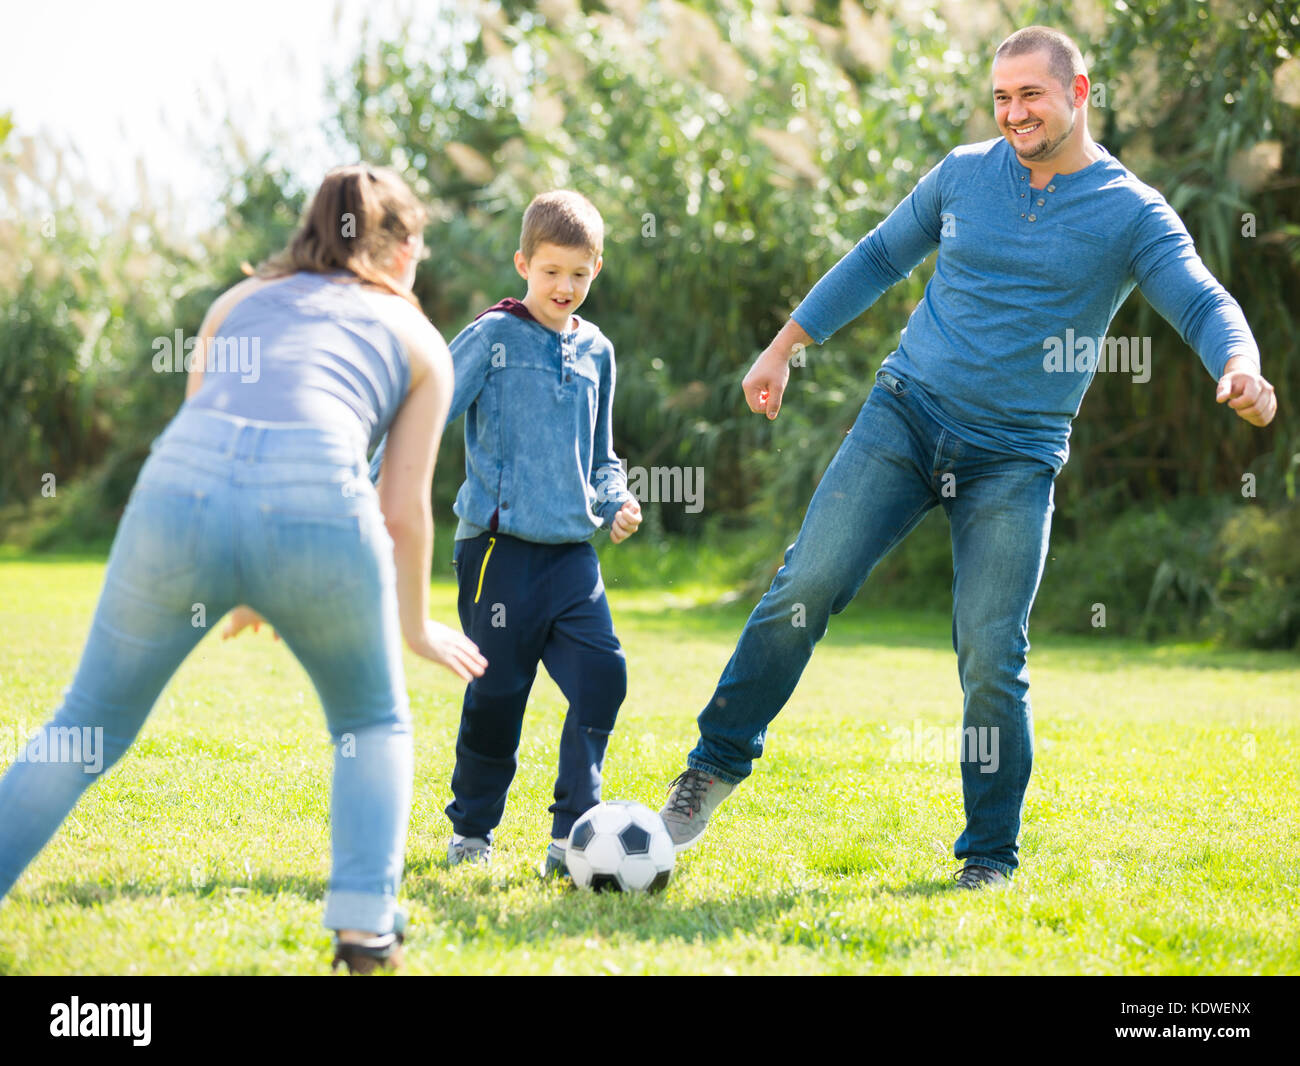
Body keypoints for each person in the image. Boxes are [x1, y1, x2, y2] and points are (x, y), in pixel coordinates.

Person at [658, 26, 1278, 887]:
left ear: (1080, 91)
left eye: (1032, 95)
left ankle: (988, 855)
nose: (1015, 112)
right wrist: (783, 347)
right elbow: (878, 257)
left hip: (1015, 459)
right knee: (806, 584)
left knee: (992, 653)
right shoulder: (962, 173)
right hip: (905, 418)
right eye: (1002, 98)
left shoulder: (1130, 213)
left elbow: (1202, 299)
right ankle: (713, 767)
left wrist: (1239, 366)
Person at [0, 164, 486, 972]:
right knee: (370, 723)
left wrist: (242, 574)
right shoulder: (417, 339)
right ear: (400, 250)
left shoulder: (236, 303)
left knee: (86, 723)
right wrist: (414, 626)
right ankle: (365, 934)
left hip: (177, 494)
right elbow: (402, 512)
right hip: (320, 506)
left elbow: (213, 431)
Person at [370, 189, 641, 877]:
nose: (565, 287)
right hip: (497, 553)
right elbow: (425, 412)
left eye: (579, 273)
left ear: (596, 270)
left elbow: (603, 455)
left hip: (572, 556)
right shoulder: (493, 336)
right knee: (498, 691)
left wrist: (616, 502)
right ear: (524, 262)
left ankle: (573, 836)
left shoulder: (598, 352)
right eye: (551, 271)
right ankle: (472, 832)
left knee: (602, 678)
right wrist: (368, 487)